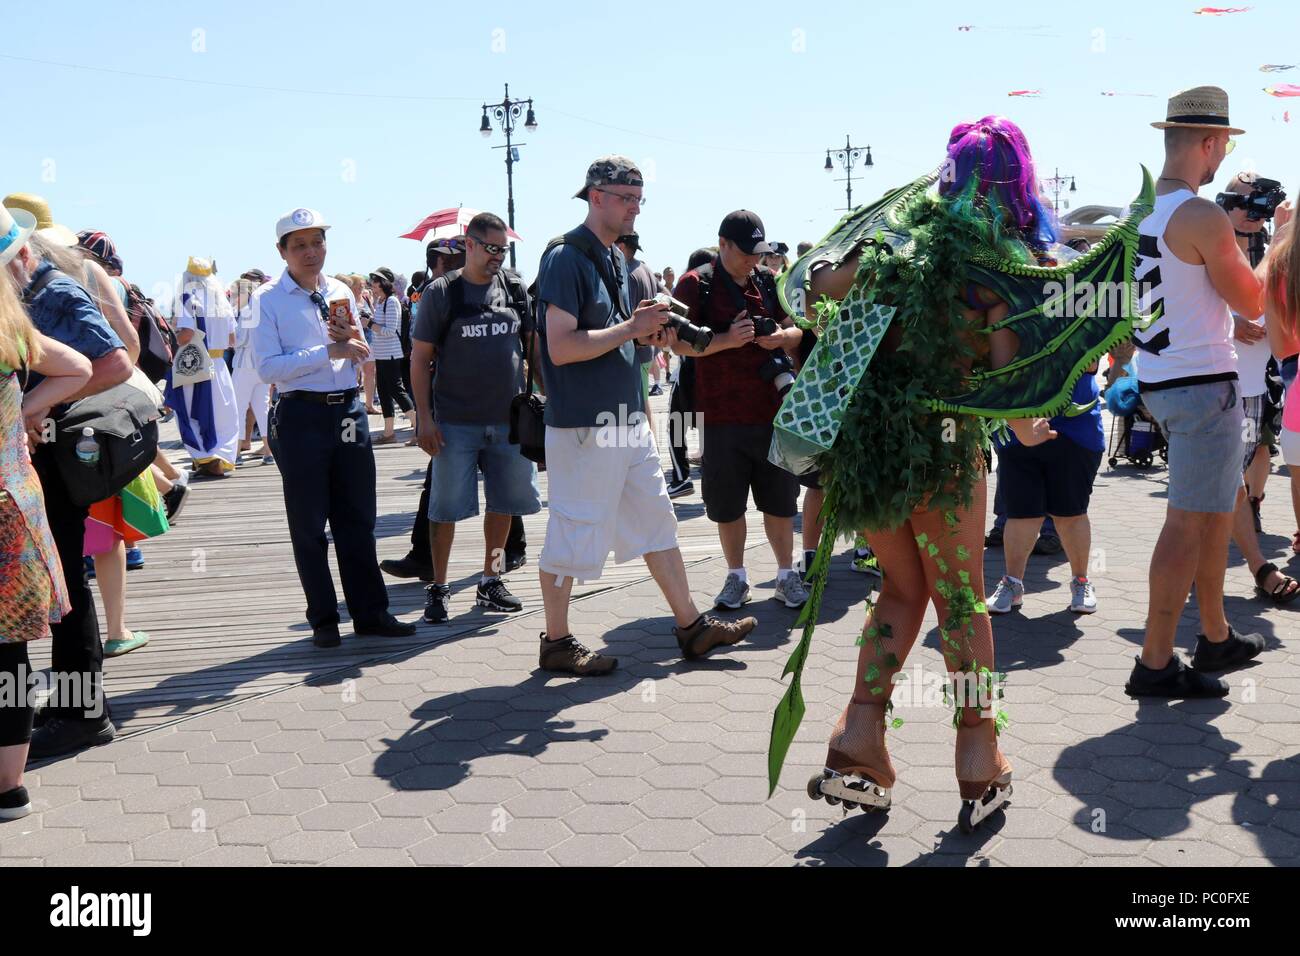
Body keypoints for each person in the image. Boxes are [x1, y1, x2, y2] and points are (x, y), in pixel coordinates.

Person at [791, 116, 1099, 828]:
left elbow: (813, 292)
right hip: (943, 444)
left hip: (868, 445)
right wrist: (1027, 424)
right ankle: (976, 758)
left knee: (900, 588)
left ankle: (858, 743)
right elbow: (1010, 388)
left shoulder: (896, 241)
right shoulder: (1000, 265)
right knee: (961, 600)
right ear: (1017, 180)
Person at [534, 155, 756, 674]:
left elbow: (620, 346)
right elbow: (562, 347)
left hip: (625, 420)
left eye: (639, 199)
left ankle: (691, 626)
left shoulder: (617, 259)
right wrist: (632, 331)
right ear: (595, 197)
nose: (635, 208)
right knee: (574, 530)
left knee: (658, 521)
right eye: (625, 198)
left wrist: (650, 337)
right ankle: (556, 640)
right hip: (583, 425)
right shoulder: (566, 257)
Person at [1127, 87, 1268, 698]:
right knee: (1187, 524)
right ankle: (1155, 662)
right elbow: (1254, 299)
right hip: (1202, 386)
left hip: (1161, 381)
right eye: (1223, 148)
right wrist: (1281, 243)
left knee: (1211, 517)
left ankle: (1214, 635)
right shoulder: (1201, 215)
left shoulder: (1142, 216)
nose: (1222, 163)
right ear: (1208, 142)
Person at [2, 198, 131, 760]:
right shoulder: (28, 294)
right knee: (57, 591)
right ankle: (56, 707)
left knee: (68, 589)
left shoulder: (51, 291)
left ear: (22, 256)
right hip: (36, 461)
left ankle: (84, 714)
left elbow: (116, 362)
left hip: (54, 459)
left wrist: (31, 407)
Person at [252, 207, 416, 647]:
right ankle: (323, 619)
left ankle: (371, 613)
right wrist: (329, 351)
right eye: (300, 245)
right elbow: (267, 368)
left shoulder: (340, 288)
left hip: (346, 412)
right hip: (300, 415)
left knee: (358, 518)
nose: (311, 252)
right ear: (282, 251)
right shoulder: (267, 299)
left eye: (317, 242)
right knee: (308, 523)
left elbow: (356, 350)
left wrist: (356, 348)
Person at [672, 211, 810, 610]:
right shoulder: (696, 284)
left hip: (771, 412)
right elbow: (676, 343)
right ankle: (736, 577)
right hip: (720, 416)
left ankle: (786, 575)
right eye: (747, 253)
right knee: (727, 504)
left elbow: (797, 327)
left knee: (781, 501)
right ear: (724, 245)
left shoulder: (767, 280)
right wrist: (727, 340)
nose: (754, 260)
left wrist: (783, 337)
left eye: (759, 252)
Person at [410, 212, 540, 622]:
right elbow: (419, 358)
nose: (498, 257)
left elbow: (534, 348)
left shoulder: (515, 289)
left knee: (503, 506)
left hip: (509, 423)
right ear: (469, 244)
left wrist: (548, 400)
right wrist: (423, 419)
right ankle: (439, 586)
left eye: (503, 249)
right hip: (454, 423)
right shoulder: (441, 293)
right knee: (443, 508)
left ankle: (491, 580)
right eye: (491, 248)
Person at [0, 244, 92, 819]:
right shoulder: (13, 329)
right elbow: (80, 368)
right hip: (14, 503)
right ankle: (9, 787)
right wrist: (25, 413)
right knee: (8, 649)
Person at [1220, 173, 1298, 602]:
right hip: (1216, 382)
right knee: (1222, 483)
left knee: (1227, 483)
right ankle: (1258, 567)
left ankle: (1225, 569)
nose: (1258, 217)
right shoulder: (1210, 234)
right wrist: (1230, 321)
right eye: (1251, 206)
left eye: (1264, 209)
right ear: (1227, 202)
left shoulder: (1267, 240)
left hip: (1255, 383)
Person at [381, 237, 467, 584]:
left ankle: (512, 546)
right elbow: (422, 351)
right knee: (442, 481)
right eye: (442, 259)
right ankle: (424, 557)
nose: (446, 265)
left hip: (478, 402)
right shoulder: (433, 293)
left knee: (497, 478)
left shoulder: (476, 290)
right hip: (447, 400)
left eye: (455, 258)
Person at [986, 363, 1104, 615]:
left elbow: (1090, 362)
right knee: (1021, 513)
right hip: (1018, 423)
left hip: (1075, 428)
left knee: (1071, 512)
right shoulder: (1006, 321)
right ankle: (1012, 584)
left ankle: (1081, 581)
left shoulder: (1082, 320)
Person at [168, 257, 240, 476]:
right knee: (225, 414)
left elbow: (186, 335)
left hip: (195, 364)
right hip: (218, 365)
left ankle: (204, 458)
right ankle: (221, 457)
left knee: (191, 412)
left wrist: (173, 333)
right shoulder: (221, 301)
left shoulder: (186, 298)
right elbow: (232, 339)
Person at [364, 267, 414, 444]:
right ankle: (388, 433)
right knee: (384, 393)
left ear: (384, 283)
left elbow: (390, 331)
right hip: (382, 354)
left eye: (375, 281)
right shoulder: (381, 301)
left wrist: (369, 324)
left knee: (397, 391)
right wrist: (370, 320)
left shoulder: (391, 301)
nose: (372, 285)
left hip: (391, 354)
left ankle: (418, 428)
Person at [229, 274, 274, 464]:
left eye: (233, 294)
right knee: (262, 408)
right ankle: (269, 451)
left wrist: (227, 337)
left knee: (238, 408)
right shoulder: (260, 310)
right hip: (260, 365)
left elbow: (240, 341)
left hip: (244, 365)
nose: (231, 298)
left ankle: (237, 453)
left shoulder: (246, 312)